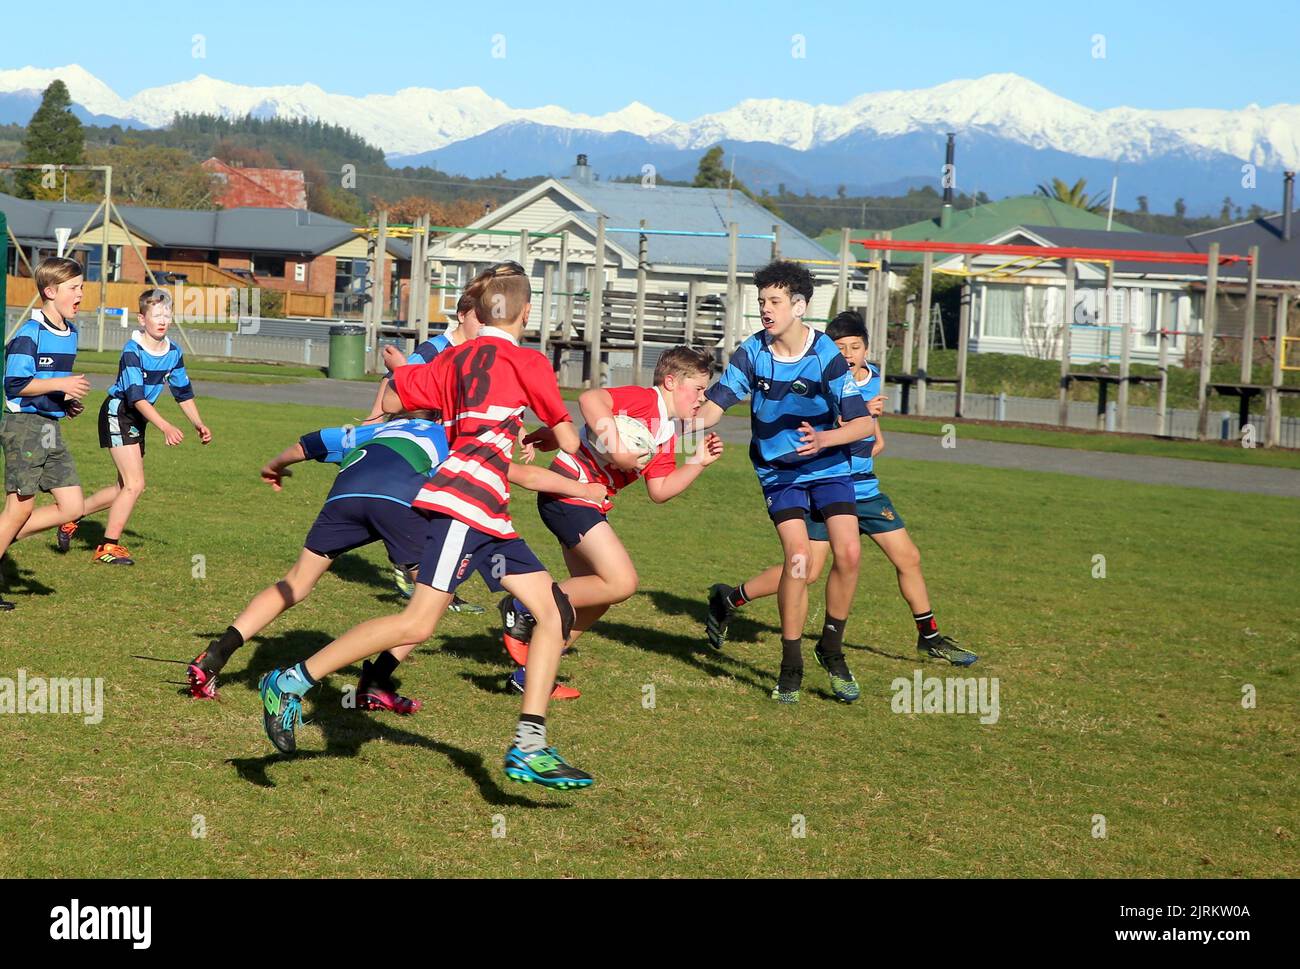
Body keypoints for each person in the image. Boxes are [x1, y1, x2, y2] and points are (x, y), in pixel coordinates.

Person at [256, 262, 596, 790]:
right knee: (417, 624)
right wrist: (559, 432)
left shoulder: (457, 359)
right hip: (465, 506)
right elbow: (571, 442)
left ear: (479, 313)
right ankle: (291, 680)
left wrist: (399, 365)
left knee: (551, 613)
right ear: (526, 313)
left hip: (487, 512)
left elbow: (395, 397)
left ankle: (530, 745)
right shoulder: (530, 362)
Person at [186, 413, 606, 708]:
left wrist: (274, 466)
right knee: (431, 602)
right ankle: (374, 682)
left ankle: (215, 657)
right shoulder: (451, 435)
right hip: (399, 503)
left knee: (296, 583)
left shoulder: (374, 430)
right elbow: (522, 476)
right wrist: (584, 491)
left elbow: (309, 443)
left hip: (345, 497)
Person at [707, 311, 978, 667]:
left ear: (867, 349)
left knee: (908, 557)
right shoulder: (822, 373)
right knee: (808, 571)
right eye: (842, 347)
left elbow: (872, 435)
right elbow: (816, 422)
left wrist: (873, 432)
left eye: (856, 347)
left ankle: (929, 637)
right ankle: (730, 600)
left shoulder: (872, 378)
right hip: (828, 485)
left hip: (864, 488)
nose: (849, 354)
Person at [691, 261, 876, 704]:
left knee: (848, 554)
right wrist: (678, 426)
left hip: (829, 465)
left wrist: (827, 437)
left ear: (800, 306)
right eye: (761, 302)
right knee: (798, 560)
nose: (766, 310)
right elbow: (716, 405)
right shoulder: (752, 353)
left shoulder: (826, 354)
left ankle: (831, 649)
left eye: (774, 302)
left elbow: (863, 425)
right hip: (779, 472)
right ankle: (790, 665)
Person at [500, 346, 723, 699]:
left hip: (587, 503)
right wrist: (617, 449)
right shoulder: (643, 400)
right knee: (621, 582)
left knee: (596, 597)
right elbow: (590, 400)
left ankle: (533, 674)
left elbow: (660, 490)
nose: (702, 399)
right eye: (697, 389)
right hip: (570, 494)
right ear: (670, 381)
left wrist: (696, 463)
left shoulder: (666, 431)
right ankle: (525, 605)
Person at [57, 289, 212, 565]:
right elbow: (136, 398)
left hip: (137, 417)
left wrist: (198, 423)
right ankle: (107, 547)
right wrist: (165, 426)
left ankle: (71, 517)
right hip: (120, 411)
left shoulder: (173, 351)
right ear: (142, 319)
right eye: (156, 315)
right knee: (136, 484)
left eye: (167, 314)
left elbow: (183, 393)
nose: (162, 320)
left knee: (122, 489)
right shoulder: (132, 351)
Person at [363, 277, 489, 614]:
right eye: (479, 317)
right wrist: (374, 418)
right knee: (432, 512)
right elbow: (396, 379)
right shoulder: (435, 349)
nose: (484, 325)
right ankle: (419, 576)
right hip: (417, 443)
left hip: (446, 445)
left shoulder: (473, 353)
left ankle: (423, 576)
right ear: (462, 315)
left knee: (441, 512)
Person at [0, 257, 90, 611]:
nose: (81, 294)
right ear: (50, 292)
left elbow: (46, 388)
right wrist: (62, 383)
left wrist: (64, 402)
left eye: (82, 287)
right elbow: (15, 384)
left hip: (49, 428)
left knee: (73, 506)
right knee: (19, 510)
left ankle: (4, 537)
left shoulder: (71, 333)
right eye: (74, 288)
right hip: (23, 428)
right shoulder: (29, 334)